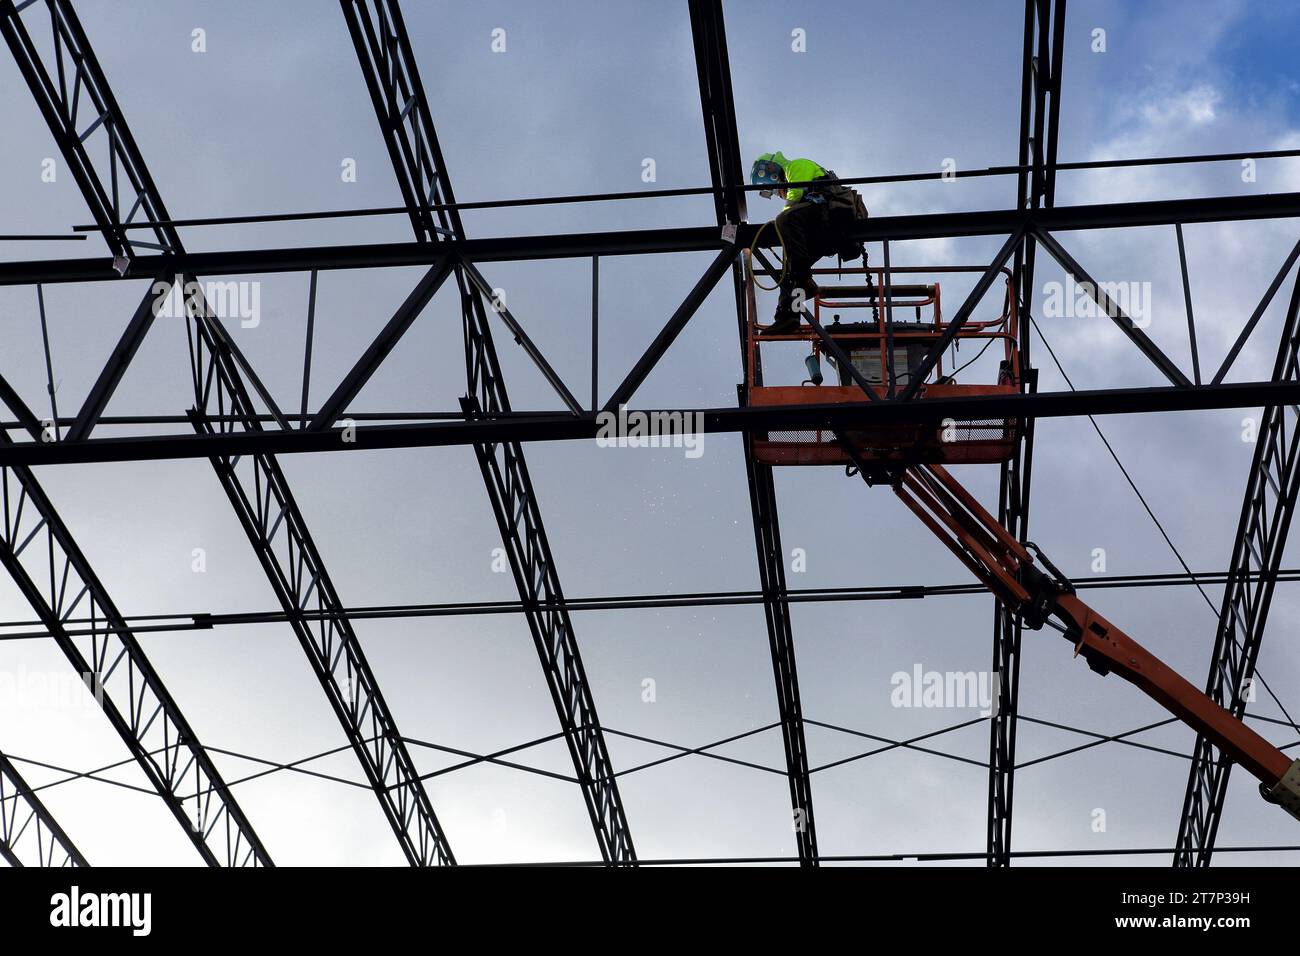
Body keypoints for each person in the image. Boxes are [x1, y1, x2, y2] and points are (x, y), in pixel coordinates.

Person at [750, 151, 868, 334]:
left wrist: (782, 221)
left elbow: (796, 193)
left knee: (784, 220)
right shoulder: (795, 195)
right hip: (821, 229)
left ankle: (804, 280)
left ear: (774, 170)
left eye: (775, 189)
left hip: (828, 213)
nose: (778, 194)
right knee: (791, 271)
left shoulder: (796, 165)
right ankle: (787, 317)